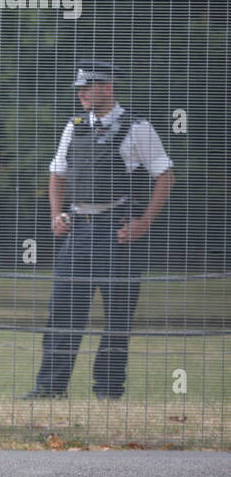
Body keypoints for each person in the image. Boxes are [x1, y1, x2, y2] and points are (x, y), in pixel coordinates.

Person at [26, 61, 175, 400]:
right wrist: (56, 215)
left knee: (117, 317)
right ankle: (50, 388)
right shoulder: (74, 126)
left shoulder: (138, 127)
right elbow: (57, 173)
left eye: (88, 87)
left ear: (108, 88)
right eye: (79, 88)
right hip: (78, 229)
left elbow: (165, 176)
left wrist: (144, 222)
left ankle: (108, 390)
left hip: (118, 231)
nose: (81, 94)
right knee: (62, 311)